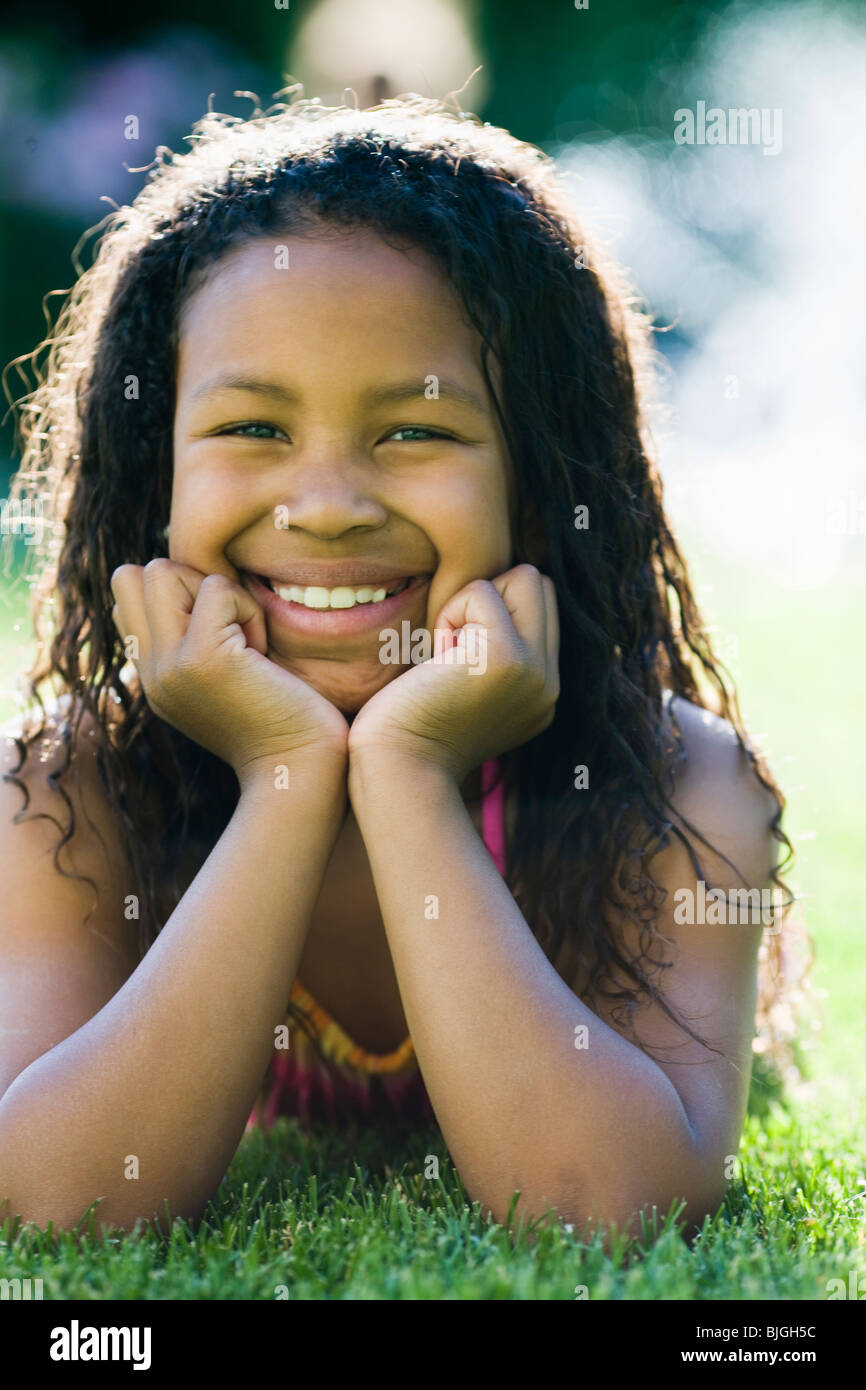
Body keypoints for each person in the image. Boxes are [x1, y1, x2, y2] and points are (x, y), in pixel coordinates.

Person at [0, 91, 801, 1244]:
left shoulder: (674, 785)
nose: (325, 507)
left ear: (537, 479)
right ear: (151, 474)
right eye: (251, 430)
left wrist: (410, 772)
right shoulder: (70, 788)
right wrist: (284, 774)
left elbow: (605, 1204)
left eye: (414, 431)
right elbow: (54, 1202)